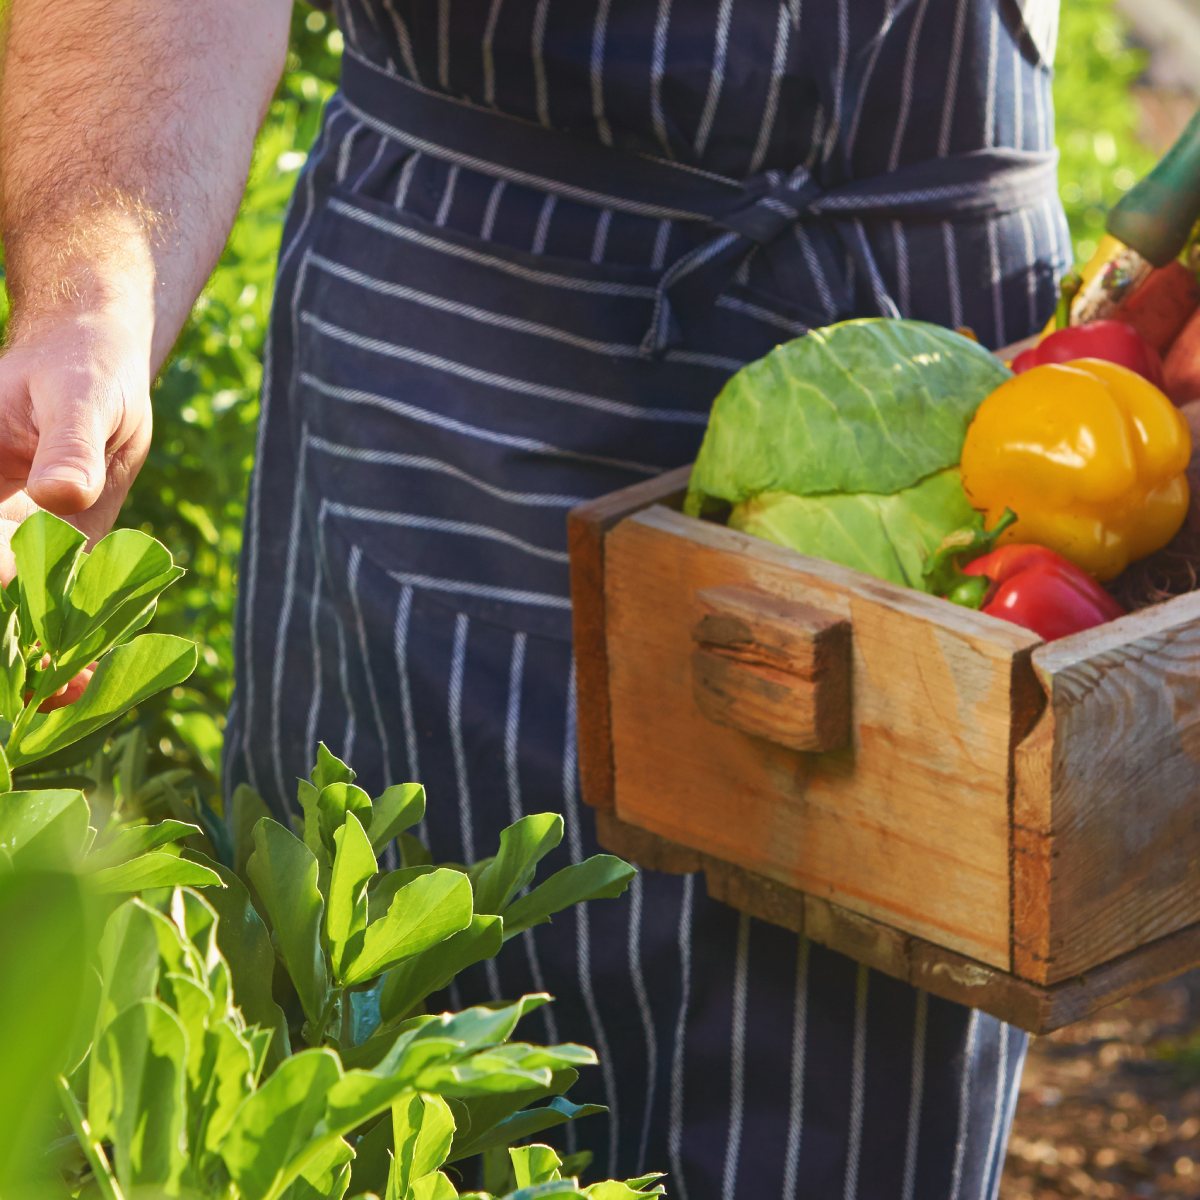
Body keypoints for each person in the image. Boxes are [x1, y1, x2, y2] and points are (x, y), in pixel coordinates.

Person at [0, 2, 1068, 1195]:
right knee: (435, 1083)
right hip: (479, 365)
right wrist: (92, 295)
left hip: (958, 375)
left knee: (867, 1113)